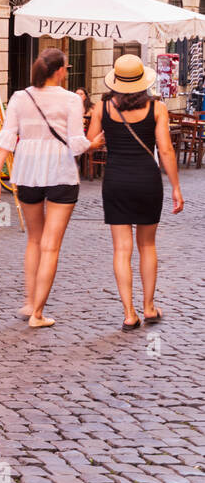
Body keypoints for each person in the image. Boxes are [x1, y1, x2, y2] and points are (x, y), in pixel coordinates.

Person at [0, 49, 93, 328]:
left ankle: (29, 301)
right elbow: (77, 143)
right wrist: (95, 142)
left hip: (27, 174)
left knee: (34, 240)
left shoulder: (20, 97)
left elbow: (7, 137)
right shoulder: (71, 100)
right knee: (51, 246)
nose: (67, 72)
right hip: (60, 172)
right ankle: (37, 313)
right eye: (66, 68)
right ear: (59, 71)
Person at [88, 55, 184, 331]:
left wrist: (99, 138)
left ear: (116, 81)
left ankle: (129, 313)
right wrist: (176, 187)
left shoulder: (102, 107)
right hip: (146, 180)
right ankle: (149, 306)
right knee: (147, 246)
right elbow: (165, 150)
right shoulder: (157, 108)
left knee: (121, 248)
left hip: (116, 179)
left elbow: (91, 142)